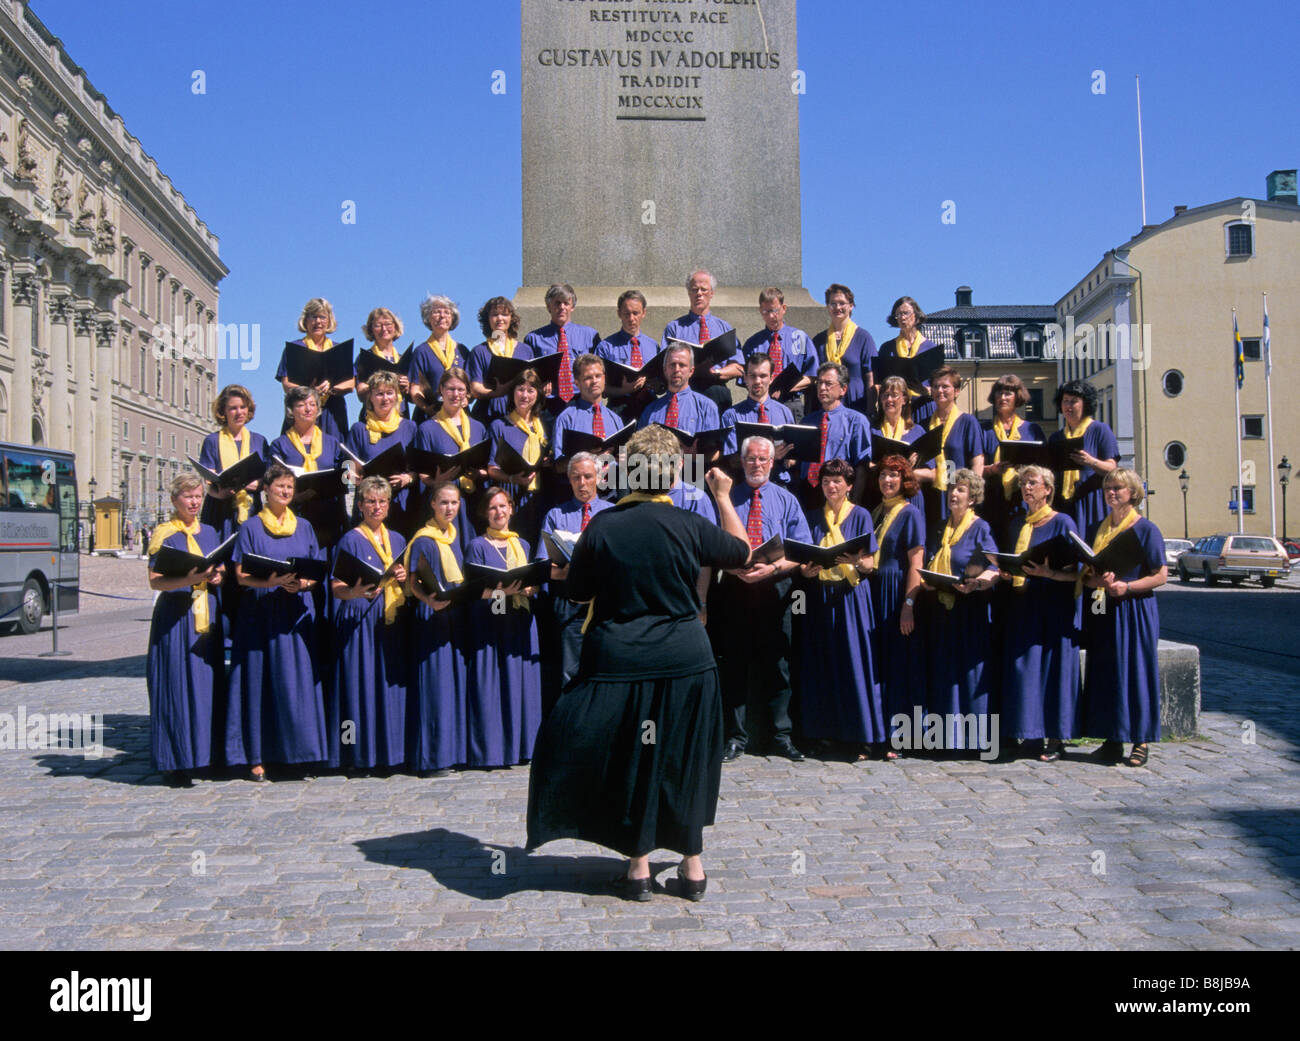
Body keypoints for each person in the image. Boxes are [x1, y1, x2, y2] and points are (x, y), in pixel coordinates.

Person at [526, 425, 751, 900]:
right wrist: (723, 495)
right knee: (685, 760)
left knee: (633, 757)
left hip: (621, 659)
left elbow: (577, 592)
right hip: (686, 659)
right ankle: (693, 870)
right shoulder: (690, 523)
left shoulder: (603, 527)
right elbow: (741, 553)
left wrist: (573, 564)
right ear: (671, 476)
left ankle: (639, 869)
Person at [710, 435, 812, 762]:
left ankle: (781, 736)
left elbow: (802, 551)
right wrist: (734, 568)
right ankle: (736, 737)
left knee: (778, 665)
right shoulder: (727, 498)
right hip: (735, 590)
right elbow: (712, 544)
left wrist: (773, 569)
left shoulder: (786, 500)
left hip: (776, 590)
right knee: (735, 664)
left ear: (773, 462)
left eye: (763, 459)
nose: (756, 464)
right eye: (750, 458)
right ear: (742, 462)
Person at [225, 462, 326, 780]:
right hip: (261, 616)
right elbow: (241, 576)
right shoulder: (251, 527)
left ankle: (298, 754)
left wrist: (303, 584)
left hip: (295, 614)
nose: (285, 491)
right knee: (261, 685)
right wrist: (271, 583)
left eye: (290, 487)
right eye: (280, 486)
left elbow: (315, 571)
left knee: (295, 685)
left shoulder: (305, 526)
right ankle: (257, 757)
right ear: (266, 490)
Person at [796, 459, 885, 760]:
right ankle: (825, 733)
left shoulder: (860, 515)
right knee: (823, 662)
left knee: (854, 662)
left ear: (849, 485)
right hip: (821, 596)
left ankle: (861, 736)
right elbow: (806, 559)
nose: (831, 487)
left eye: (837, 482)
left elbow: (871, 564)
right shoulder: (812, 517)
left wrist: (854, 561)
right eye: (826, 482)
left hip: (851, 595)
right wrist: (805, 573)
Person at [1080, 468, 1166, 768]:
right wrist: (1098, 581)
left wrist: (1127, 586)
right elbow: (1088, 577)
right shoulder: (1097, 528)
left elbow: (1160, 575)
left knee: (1135, 670)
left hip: (1134, 608)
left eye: (1117, 487)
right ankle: (1112, 738)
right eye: (1107, 488)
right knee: (1106, 670)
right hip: (1103, 607)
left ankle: (1141, 739)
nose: (1111, 492)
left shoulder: (1145, 530)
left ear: (1133, 493)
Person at [146, 474, 226, 786]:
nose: (194, 502)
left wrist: (217, 577)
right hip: (177, 618)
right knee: (177, 686)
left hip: (206, 617)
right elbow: (155, 580)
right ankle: (176, 759)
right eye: (187, 497)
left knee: (205, 686)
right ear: (174, 500)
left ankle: (205, 756)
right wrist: (187, 580)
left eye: (197, 497)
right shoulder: (165, 535)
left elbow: (217, 569)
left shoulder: (211, 532)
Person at [998, 465, 1081, 762]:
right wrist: (1008, 572)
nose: (1027, 488)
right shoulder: (1020, 524)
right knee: (1027, 669)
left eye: (1033, 483)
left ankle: (1056, 737)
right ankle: (1031, 734)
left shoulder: (1062, 522)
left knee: (1053, 669)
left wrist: (1049, 573)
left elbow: (1077, 573)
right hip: (1024, 603)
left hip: (1053, 604)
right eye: (1023, 484)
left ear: (1048, 489)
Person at [328, 476, 409, 772]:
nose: (377, 507)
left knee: (386, 688)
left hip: (389, 620)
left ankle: (390, 753)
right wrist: (354, 592)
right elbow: (336, 586)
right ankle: (354, 753)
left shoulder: (398, 539)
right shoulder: (350, 539)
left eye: (383, 501)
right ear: (360, 505)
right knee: (357, 686)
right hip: (358, 619)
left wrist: (402, 578)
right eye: (371, 501)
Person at [917, 468, 999, 754]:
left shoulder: (981, 528)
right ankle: (945, 739)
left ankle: (975, 740)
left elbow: (994, 567)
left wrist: (977, 584)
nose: (954, 493)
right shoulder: (941, 527)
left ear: (973, 497)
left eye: (961, 489)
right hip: (941, 608)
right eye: (952, 488)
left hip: (969, 609)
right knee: (944, 672)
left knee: (968, 673)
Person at [464, 487, 543, 767]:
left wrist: (530, 588)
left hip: (519, 621)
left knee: (519, 683)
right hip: (490, 622)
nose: (499, 512)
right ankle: (492, 751)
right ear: (485, 513)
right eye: (493, 508)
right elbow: (474, 592)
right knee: (493, 684)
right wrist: (504, 593)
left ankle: (523, 748)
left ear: (511, 508)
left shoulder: (520, 545)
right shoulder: (477, 545)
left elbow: (528, 583)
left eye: (503, 506)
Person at [536, 452, 613, 711]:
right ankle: (572, 736)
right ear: (568, 480)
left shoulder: (614, 514)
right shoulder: (555, 515)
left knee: (605, 671)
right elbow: (543, 568)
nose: (582, 483)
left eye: (588, 477)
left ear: (599, 478)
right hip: (570, 606)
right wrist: (572, 571)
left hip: (606, 606)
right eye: (576, 477)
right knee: (571, 674)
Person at [405, 482, 471, 776]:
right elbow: (411, 582)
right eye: (443, 503)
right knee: (435, 685)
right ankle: (433, 758)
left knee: (453, 684)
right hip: (431, 615)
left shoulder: (455, 537)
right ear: (432, 504)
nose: (449, 509)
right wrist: (428, 600)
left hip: (454, 617)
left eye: (454, 503)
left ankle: (453, 752)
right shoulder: (423, 539)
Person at [867, 455, 926, 756]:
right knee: (879, 665)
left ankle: (900, 737)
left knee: (899, 666)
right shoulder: (877, 511)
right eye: (883, 475)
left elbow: (916, 561)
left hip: (896, 592)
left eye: (893, 476)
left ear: (905, 480)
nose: (887, 481)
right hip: (875, 591)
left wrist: (908, 604)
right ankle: (877, 733)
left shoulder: (910, 513)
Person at [414, 366, 489, 549]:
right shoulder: (427, 428)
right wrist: (437, 481)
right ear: (441, 390)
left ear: (467, 392)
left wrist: (479, 473)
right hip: (443, 506)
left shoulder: (478, 428)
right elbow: (423, 475)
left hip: (473, 503)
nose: (456, 394)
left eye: (461, 389)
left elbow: (487, 468)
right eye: (450, 389)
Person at [268, 387, 348, 551]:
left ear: (318, 410)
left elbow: (345, 476)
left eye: (312, 404)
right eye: (301, 404)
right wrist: (296, 496)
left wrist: (351, 477)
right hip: (295, 514)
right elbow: (271, 482)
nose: (308, 408)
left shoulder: (332, 443)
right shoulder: (279, 444)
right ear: (291, 410)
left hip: (328, 518)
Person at [343, 371, 419, 537]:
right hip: (370, 506)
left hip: (401, 503)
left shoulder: (410, 427)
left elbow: (419, 468)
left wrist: (408, 478)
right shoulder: (359, 429)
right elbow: (345, 468)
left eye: (390, 393)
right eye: (379, 394)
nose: (385, 398)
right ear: (370, 397)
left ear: (397, 396)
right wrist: (350, 476)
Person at [662, 269, 743, 415]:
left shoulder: (725, 328)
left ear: (712, 293)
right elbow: (663, 364)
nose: (699, 293)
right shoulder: (674, 328)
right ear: (689, 293)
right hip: (685, 391)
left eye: (704, 289)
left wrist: (716, 372)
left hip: (716, 390)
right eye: (694, 289)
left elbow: (738, 367)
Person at [487, 370, 552, 546]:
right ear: (512, 392)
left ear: (538, 394)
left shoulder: (545, 426)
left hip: (539, 497)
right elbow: (491, 468)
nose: (525, 395)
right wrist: (511, 478)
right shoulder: (500, 426)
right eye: (520, 389)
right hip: (511, 497)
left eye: (531, 390)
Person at [1050, 379, 1121, 538]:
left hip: (1092, 503)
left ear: (1085, 404)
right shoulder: (1056, 437)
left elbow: (1113, 469)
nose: (1068, 406)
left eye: (1074, 402)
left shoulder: (1100, 430)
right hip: (1063, 504)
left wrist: (1090, 461)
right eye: (1065, 401)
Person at [981, 375, 1046, 547]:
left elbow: (1045, 469)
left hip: (1023, 503)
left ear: (1018, 397)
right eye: (999, 393)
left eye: (1008, 393)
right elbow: (973, 468)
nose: (1002, 398)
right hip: (990, 503)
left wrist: (1025, 470)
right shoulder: (984, 430)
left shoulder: (1032, 430)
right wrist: (993, 469)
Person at [277, 297, 354, 441]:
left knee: (335, 458)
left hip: (332, 413)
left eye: (322, 317)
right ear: (305, 320)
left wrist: (331, 387)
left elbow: (351, 384)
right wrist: (309, 391)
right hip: (302, 411)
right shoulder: (294, 349)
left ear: (329, 321)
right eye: (313, 317)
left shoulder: (339, 349)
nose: (318, 321)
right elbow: (286, 384)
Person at [637, 343, 722, 471]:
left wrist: (693, 457)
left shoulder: (707, 407)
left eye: (682, 365)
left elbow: (715, 454)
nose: (677, 369)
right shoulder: (650, 410)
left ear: (691, 371)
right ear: (665, 370)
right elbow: (639, 451)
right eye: (672, 365)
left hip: (692, 474)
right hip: (656, 477)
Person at [198, 384, 267, 541]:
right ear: (223, 411)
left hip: (251, 510)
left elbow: (267, 478)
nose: (239, 412)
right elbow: (208, 481)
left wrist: (258, 484)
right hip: (219, 510)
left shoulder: (259, 441)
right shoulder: (212, 441)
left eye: (243, 407)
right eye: (233, 408)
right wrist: (219, 493)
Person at [799, 362, 872, 508]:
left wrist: (854, 501)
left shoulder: (856, 421)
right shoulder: (807, 421)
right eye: (819, 383)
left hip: (837, 493)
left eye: (828, 383)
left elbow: (862, 465)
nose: (822, 388)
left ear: (843, 389)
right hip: (808, 493)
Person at [918, 366, 984, 526]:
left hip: (958, 496)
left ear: (956, 391)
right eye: (935, 386)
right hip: (930, 495)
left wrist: (972, 497)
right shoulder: (923, 424)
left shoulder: (968, 422)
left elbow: (978, 462)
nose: (940, 390)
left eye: (945, 386)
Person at [721, 352, 796, 486]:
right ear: (745, 378)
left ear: (771, 378)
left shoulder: (784, 412)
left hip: (779, 483)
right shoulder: (731, 415)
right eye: (752, 376)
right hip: (744, 484)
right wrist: (769, 455)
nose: (757, 381)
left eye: (763, 376)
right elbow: (731, 460)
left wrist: (789, 458)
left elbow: (793, 457)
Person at [523, 283, 601, 412]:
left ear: (572, 307)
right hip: (548, 403)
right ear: (549, 307)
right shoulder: (534, 338)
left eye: (566, 303)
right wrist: (538, 384)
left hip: (581, 400)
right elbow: (526, 374)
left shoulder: (590, 336)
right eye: (557, 303)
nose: (562, 307)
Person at [741, 287, 817, 410]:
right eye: (766, 312)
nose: (771, 316)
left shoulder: (800, 338)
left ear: (784, 308)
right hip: (760, 403)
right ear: (760, 311)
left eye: (775, 311)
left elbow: (812, 375)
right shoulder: (752, 343)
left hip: (791, 402)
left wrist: (785, 387)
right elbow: (744, 377)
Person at [867, 375, 929, 517]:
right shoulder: (872, 430)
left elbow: (933, 474)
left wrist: (907, 472)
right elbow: (865, 464)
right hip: (880, 498)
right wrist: (884, 469)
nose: (889, 400)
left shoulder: (917, 431)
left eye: (894, 395)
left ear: (905, 399)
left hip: (911, 499)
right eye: (885, 395)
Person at [596, 289, 660, 422]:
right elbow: (600, 388)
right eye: (626, 314)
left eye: (635, 313)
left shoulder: (653, 346)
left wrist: (654, 384)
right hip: (619, 407)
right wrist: (624, 390)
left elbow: (661, 384)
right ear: (619, 314)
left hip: (649, 406)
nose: (631, 319)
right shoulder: (606, 347)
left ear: (644, 313)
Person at [812, 283, 876, 416]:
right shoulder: (819, 340)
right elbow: (813, 376)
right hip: (825, 404)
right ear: (827, 307)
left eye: (842, 303)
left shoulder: (863, 337)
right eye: (833, 303)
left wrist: (871, 410)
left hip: (856, 402)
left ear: (851, 306)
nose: (837, 307)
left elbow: (870, 376)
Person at [877, 296, 940, 425]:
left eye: (905, 313)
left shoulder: (931, 348)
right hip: (897, 408)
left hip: (924, 407)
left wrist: (926, 390)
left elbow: (939, 385)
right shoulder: (887, 348)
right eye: (898, 315)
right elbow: (879, 382)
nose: (902, 318)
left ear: (916, 316)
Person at [408, 295, 468, 424]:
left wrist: (467, 398)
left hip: (458, 416)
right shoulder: (421, 351)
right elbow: (415, 389)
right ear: (428, 318)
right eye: (436, 312)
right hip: (429, 417)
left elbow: (471, 387)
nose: (442, 316)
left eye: (447, 312)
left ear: (453, 318)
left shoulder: (462, 350)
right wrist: (428, 409)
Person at [467, 296, 525, 424]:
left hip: (520, 412)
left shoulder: (525, 350)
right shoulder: (479, 351)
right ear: (487, 319)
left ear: (511, 318)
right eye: (494, 314)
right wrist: (497, 393)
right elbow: (475, 388)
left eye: (504, 314)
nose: (499, 318)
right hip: (487, 413)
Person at [354, 307, 412, 422]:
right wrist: (377, 387)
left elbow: (413, 394)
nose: (384, 329)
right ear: (371, 330)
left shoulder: (404, 359)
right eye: (377, 325)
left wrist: (406, 387)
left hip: (400, 417)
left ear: (395, 327)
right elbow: (360, 392)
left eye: (388, 324)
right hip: (372, 419)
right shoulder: (364, 358)